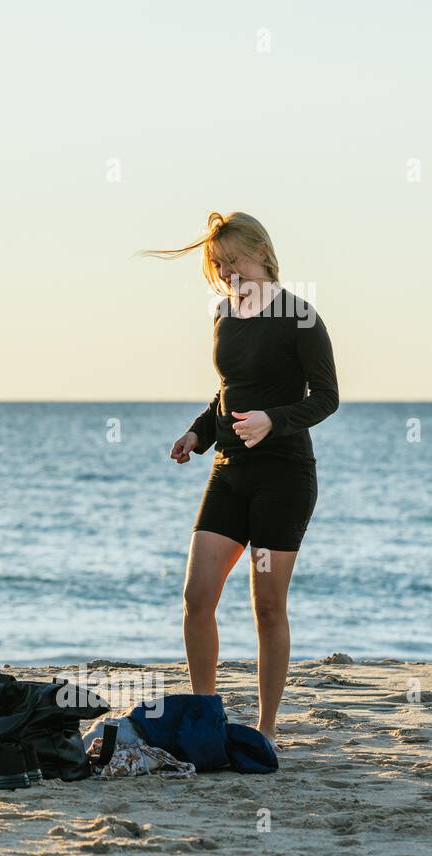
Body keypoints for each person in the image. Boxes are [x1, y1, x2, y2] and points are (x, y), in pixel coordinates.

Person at [143, 212, 340, 751]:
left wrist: (274, 419)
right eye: (219, 265)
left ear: (263, 253)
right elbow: (227, 391)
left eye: (235, 261)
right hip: (229, 472)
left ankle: (267, 728)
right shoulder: (224, 316)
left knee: (268, 605)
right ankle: (205, 712)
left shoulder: (300, 317)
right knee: (197, 596)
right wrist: (196, 432)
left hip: (283, 477)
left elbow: (325, 397)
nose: (228, 273)